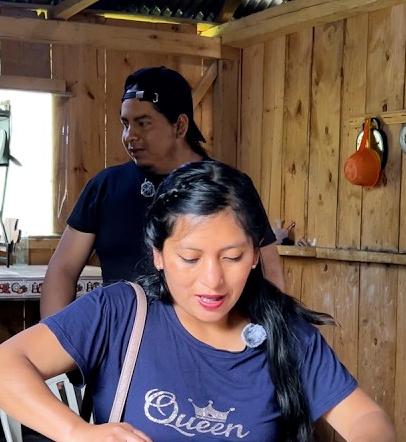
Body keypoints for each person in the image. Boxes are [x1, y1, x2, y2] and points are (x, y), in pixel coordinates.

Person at [0, 160, 395, 442]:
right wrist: (80, 434)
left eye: (232, 257)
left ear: (254, 256)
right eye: (190, 258)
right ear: (158, 255)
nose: (212, 281)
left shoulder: (285, 332)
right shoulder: (120, 313)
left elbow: (371, 421)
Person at [41, 66, 285, 317]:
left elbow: (270, 270)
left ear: (180, 126)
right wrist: (55, 341)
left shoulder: (230, 187)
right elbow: (63, 269)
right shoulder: (105, 186)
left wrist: (267, 336)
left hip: (211, 343)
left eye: (143, 124)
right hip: (124, 341)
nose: (130, 136)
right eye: (125, 124)